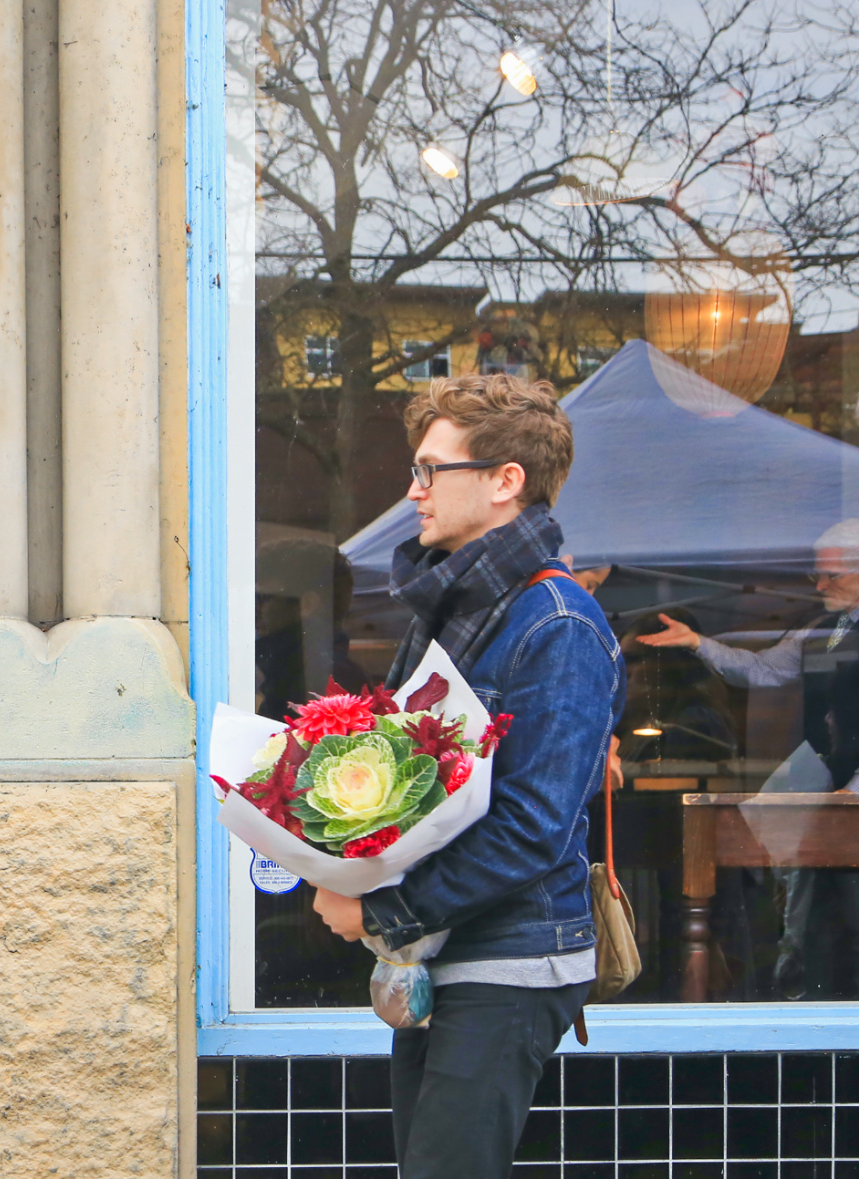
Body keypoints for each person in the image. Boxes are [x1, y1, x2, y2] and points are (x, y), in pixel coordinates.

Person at [308, 373, 625, 1179]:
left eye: (428, 470)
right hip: (439, 949)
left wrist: (382, 906)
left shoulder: (557, 624)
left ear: (504, 480)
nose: (413, 492)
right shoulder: (452, 610)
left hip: (511, 953)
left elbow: (531, 827)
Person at [637, 519, 859, 996]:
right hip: (825, 782)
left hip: (850, 794)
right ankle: (809, 1008)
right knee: (811, 908)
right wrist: (698, 643)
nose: (819, 585)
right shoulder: (824, 629)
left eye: (831, 575)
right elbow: (762, 670)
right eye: (814, 575)